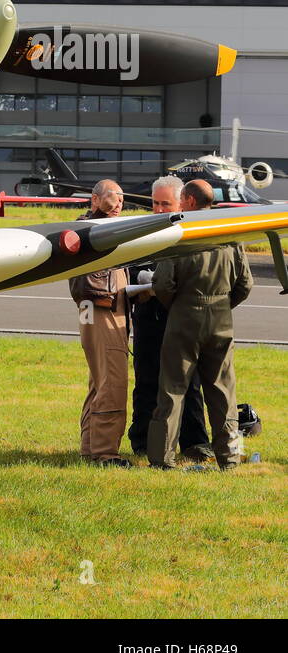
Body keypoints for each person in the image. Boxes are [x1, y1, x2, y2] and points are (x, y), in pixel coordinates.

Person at [147, 179, 252, 470]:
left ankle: (161, 458)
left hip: (184, 316)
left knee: (172, 389)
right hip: (221, 318)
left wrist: (178, 306)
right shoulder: (231, 233)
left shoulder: (182, 232)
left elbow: (162, 282)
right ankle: (230, 458)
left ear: (190, 202)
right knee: (223, 392)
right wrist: (222, 305)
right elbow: (245, 284)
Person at [128, 174, 212, 461]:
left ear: (182, 202)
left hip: (181, 320)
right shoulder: (140, 232)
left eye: (166, 203)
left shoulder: (193, 233)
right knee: (146, 381)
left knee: (190, 382)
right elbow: (127, 272)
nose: (160, 209)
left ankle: (194, 442)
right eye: (155, 203)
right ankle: (141, 441)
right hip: (147, 318)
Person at [68, 179, 131, 468]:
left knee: (99, 379)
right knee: (113, 380)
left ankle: (90, 446)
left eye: (121, 199)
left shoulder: (89, 227)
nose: (118, 203)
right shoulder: (96, 230)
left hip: (91, 308)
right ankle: (106, 453)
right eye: (112, 198)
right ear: (94, 199)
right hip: (103, 308)